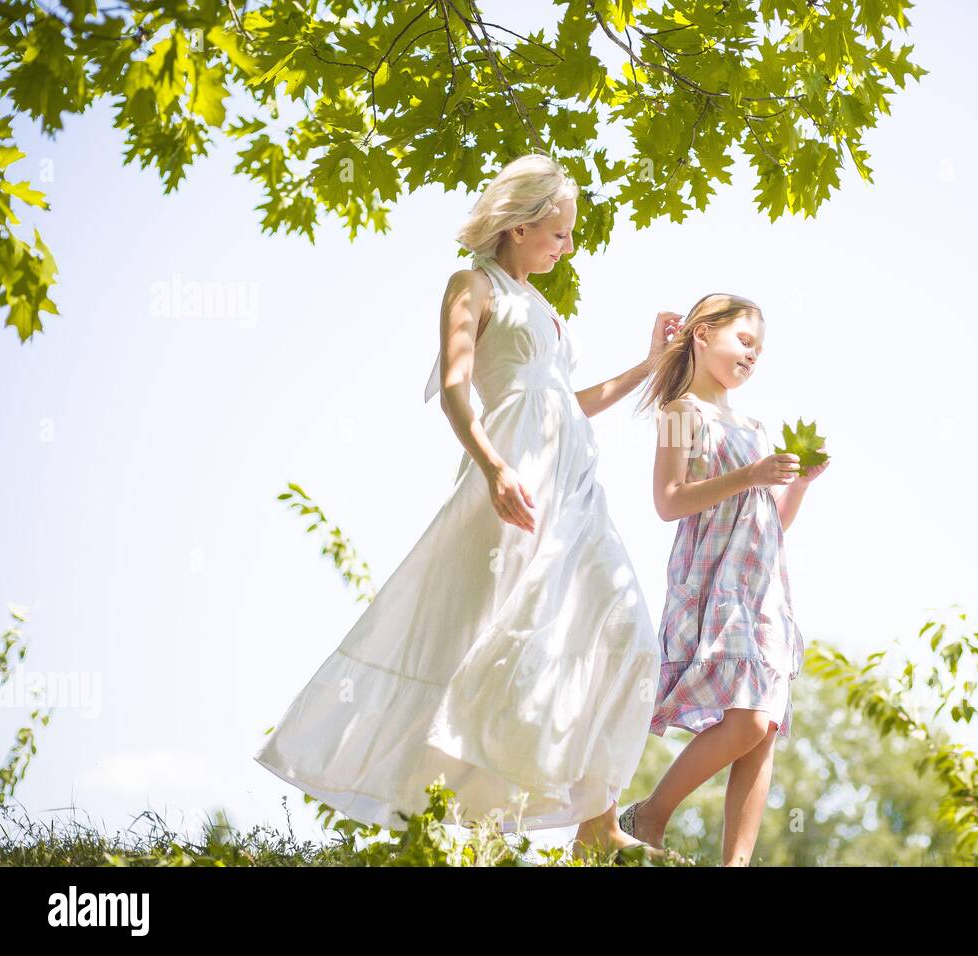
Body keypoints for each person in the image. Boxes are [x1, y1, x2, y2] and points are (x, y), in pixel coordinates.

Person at [254, 152, 682, 862]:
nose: (566, 246)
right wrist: (493, 469)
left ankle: (596, 826)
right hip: (512, 475)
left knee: (628, 632)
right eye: (559, 232)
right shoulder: (471, 284)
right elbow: (457, 387)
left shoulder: (545, 307)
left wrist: (646, 366)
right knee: (487, 635)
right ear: (519, 225)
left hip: (574, 480)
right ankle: (429, 800)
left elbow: (565, 404)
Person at [616, 292, 830, 865]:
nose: (752, 356)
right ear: (703, 333)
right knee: (750, 720)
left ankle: (736, 862)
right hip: (714, 586)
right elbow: (668, 502)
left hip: (762, 591)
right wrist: (750, 474)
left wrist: (796, 485)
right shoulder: (678, 412)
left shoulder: (756, 428)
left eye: (759, 349)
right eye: (744, 340)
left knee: (763, 727)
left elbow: (770, 522)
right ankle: (650, 815)